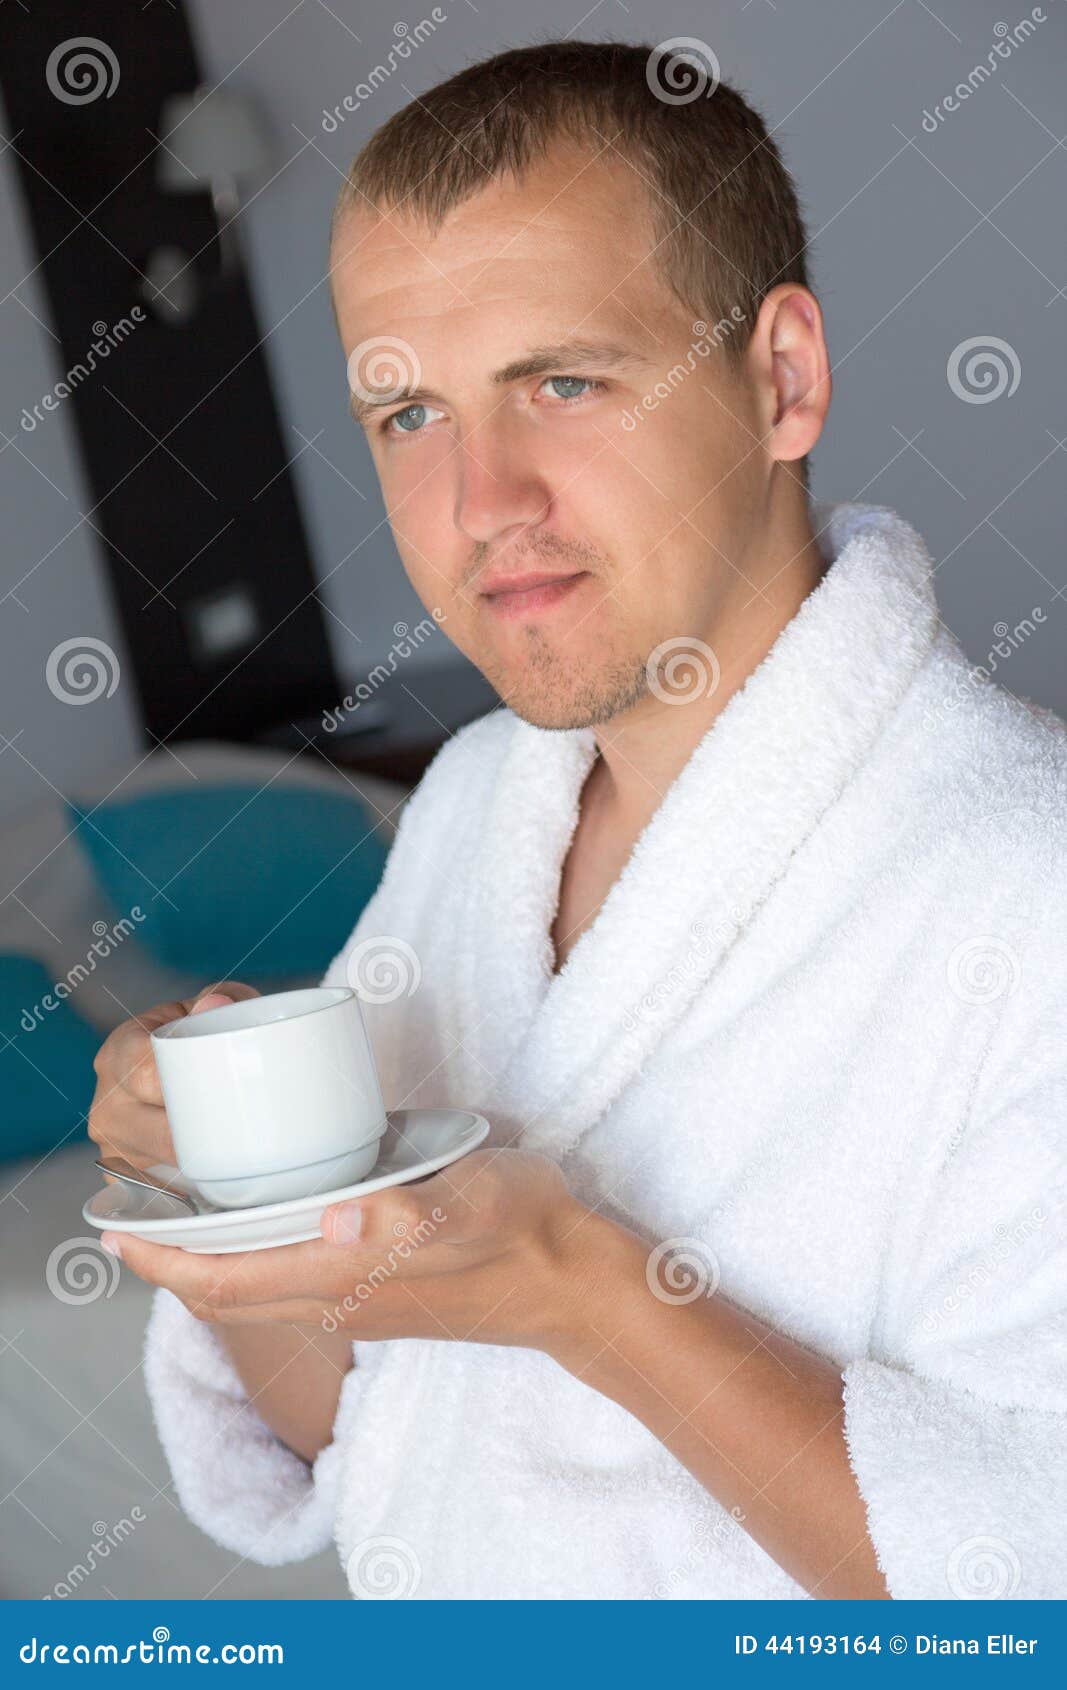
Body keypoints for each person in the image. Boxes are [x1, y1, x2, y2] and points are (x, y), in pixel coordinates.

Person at [89, 40, 1066, 1601]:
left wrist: (582, 1289)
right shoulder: (478, 806)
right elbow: (355, 1431)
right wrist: (244, 1210)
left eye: (562, 381)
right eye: (407, 413)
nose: (482, 498)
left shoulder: (1029, 891)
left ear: (782, 379)